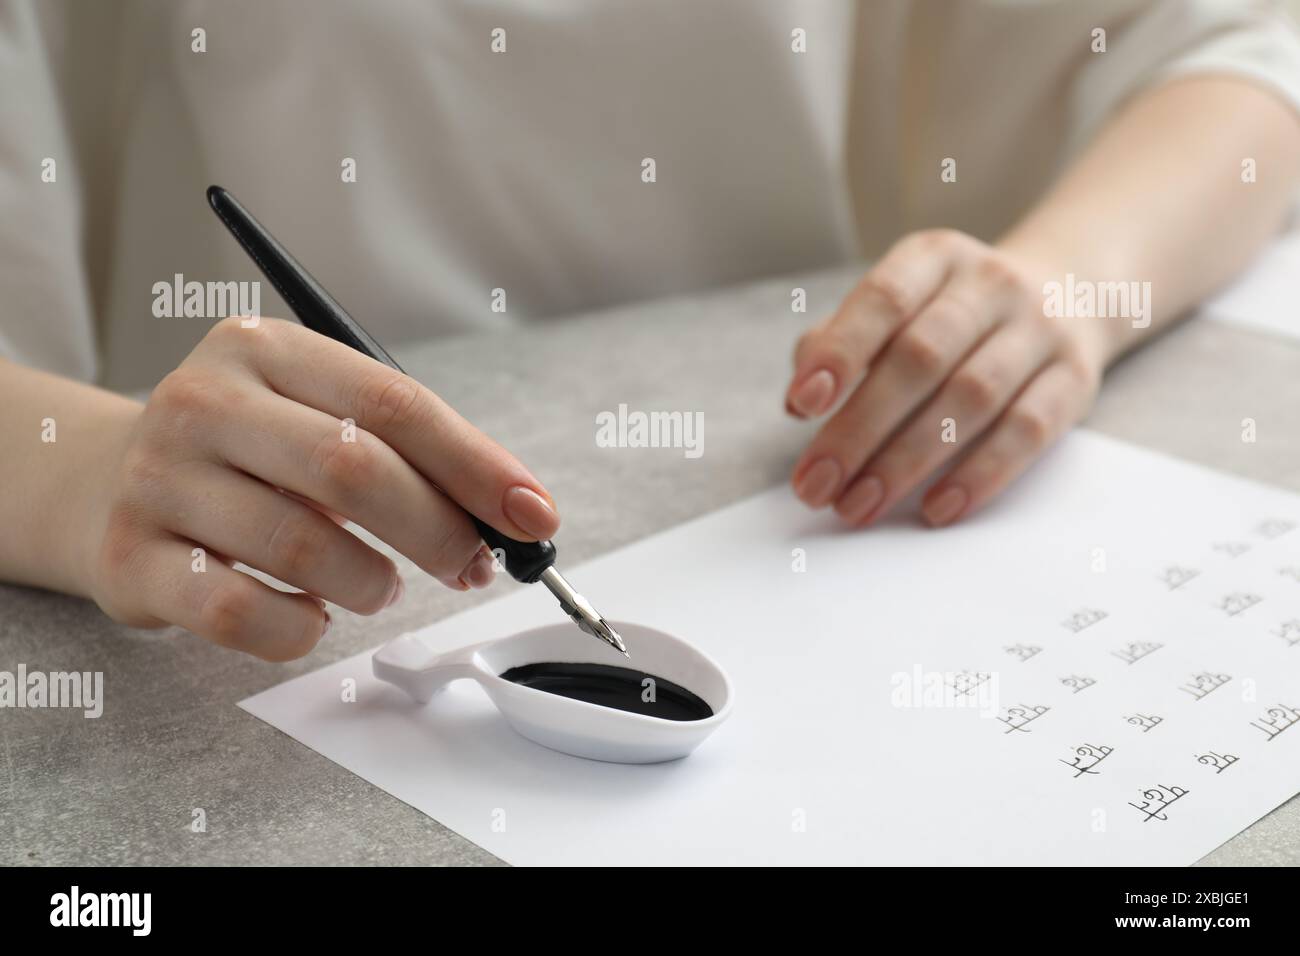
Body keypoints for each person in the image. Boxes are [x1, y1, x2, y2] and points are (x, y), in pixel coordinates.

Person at [2, 0, 1299, 661]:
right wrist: (92, 477)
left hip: (784, 468)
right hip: (253, 538)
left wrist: (1067, 283)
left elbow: (1239, 42)